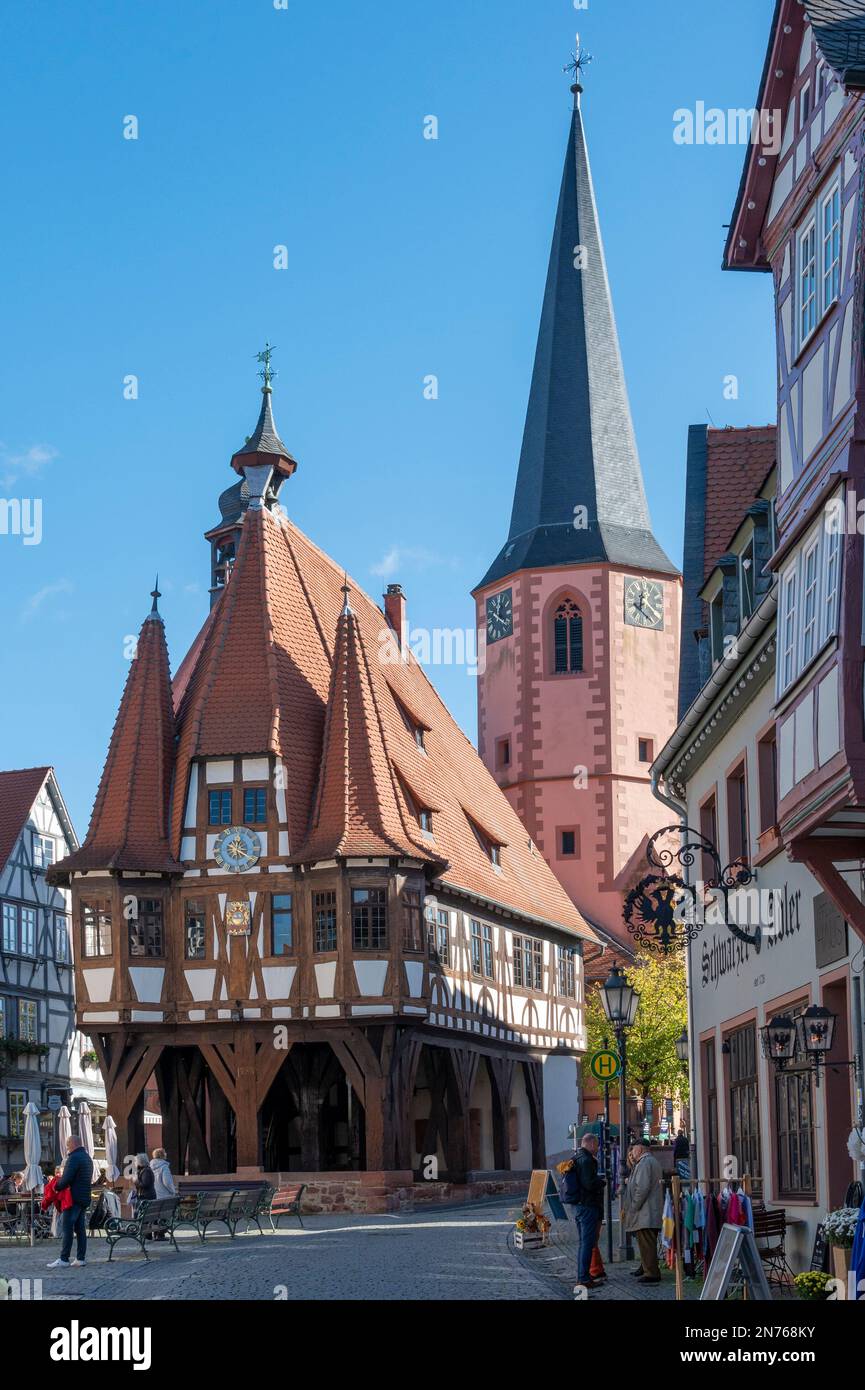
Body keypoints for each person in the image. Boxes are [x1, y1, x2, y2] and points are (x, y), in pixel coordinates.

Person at [561, 1135, 606, 1290]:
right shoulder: (586, 1160)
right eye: (597, 1145)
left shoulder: (575, 1158)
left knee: (583, 1243)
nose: (598, 1148)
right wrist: (601, 1182)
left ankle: (583, 1276)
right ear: (591, 1143)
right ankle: (584, 1278)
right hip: (587, 1206)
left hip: (577, 1206)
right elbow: (589, 1184)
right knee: (587, 1243)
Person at [47, 1137, 93, 1269]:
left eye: (68, 1146)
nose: (67, 1148)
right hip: (84, 1197)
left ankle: (64, 1258)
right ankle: (80, 1258)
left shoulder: (74, 1158)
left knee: (67, 1227)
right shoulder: (87, 1157)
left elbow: (67, 1178)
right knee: (80, 1229)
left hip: (72, 1199)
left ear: (73, 1144)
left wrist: (56, 1187)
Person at [621, 1142, 663, 1284]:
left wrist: (633, 1206)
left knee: (647, 1242)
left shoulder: (645, 1162)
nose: (632, 1153)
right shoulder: (646, 1162)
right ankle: (646, 1268)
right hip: (647, 1210)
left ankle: (651, 1273)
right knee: (646, 1242)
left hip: (646, 1211)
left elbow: (642, 1188)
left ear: (639, 1148)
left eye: (633, 1149)